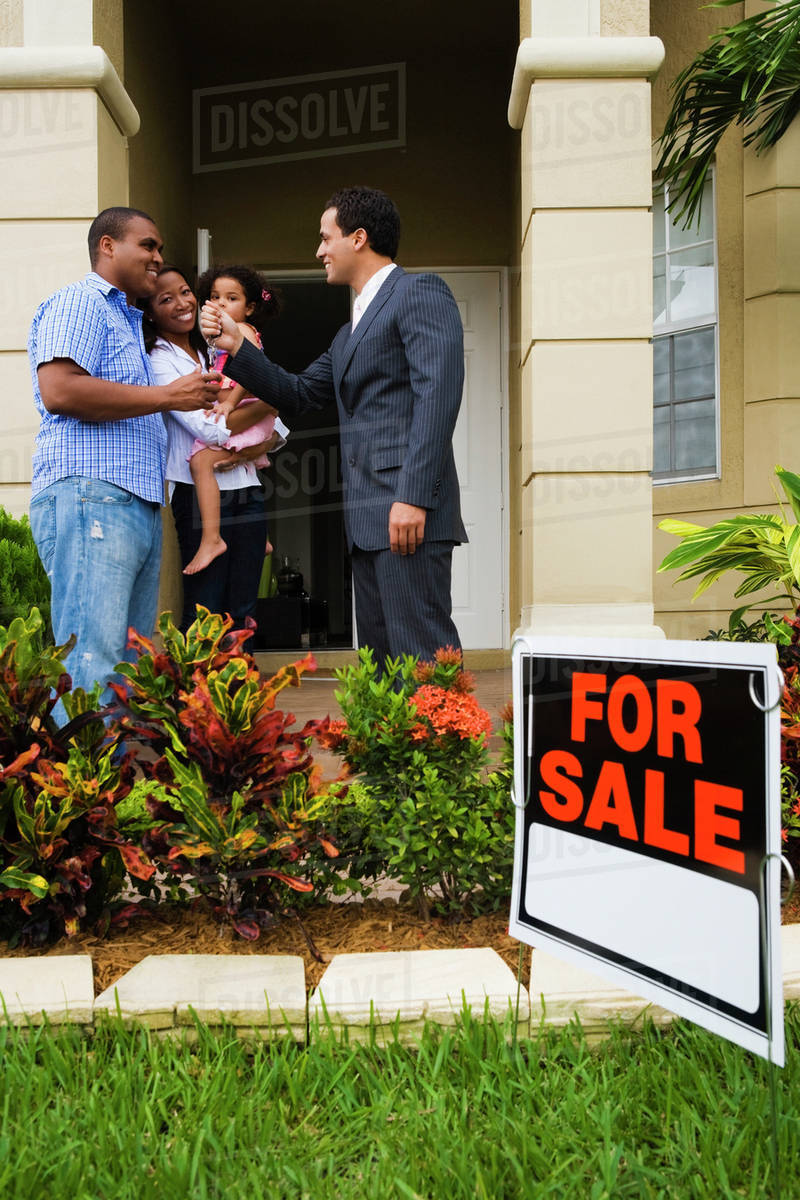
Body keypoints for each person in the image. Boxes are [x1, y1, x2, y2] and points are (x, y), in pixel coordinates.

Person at [200, 186, 467, 666]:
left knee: (423, 658)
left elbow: (438, 396)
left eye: (326, 238)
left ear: (358, 238)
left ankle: (436, 726)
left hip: (408, 512)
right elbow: (299, 393)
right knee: (382, 667)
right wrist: (238, 345)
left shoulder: (419, 292)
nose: (319, 250)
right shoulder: (347, 335)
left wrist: (413, 496)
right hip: (366, 522)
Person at [28, 207, 219, 716]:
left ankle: (112, 768)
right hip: (92, 494)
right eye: (148, 245)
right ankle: (85, 767)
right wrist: (168, 396)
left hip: (131, 502)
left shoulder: (129, 322)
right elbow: (60, 390)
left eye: (159, 248)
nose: (158, 257)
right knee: (92, 658)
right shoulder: (81, 301)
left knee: (127, 666)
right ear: (108, 246)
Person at [143, 265, 289, 632]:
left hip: (247, 488)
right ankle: (200, 675)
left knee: (243, 610)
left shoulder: (216, 345)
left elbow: (274, 425)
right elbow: (208, 428)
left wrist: (264, 428)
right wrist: (269, 402)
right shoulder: (159, 360)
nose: (182, 303)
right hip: (197, 495)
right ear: (151, 312)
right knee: (204, 609)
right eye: (166, 299)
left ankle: (239, 672)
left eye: (185, 292)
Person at [183, 266, 280, 575]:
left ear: (249, 307)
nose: (220, 303)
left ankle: (212, 539)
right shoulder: (219, 338)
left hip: (247, 409)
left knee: (201, 462)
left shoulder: (243, 331)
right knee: (230, 467)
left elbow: (253, 372)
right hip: (246, 413)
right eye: (214, 297)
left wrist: (229, 404)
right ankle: (262, 539)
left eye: (231, 298)